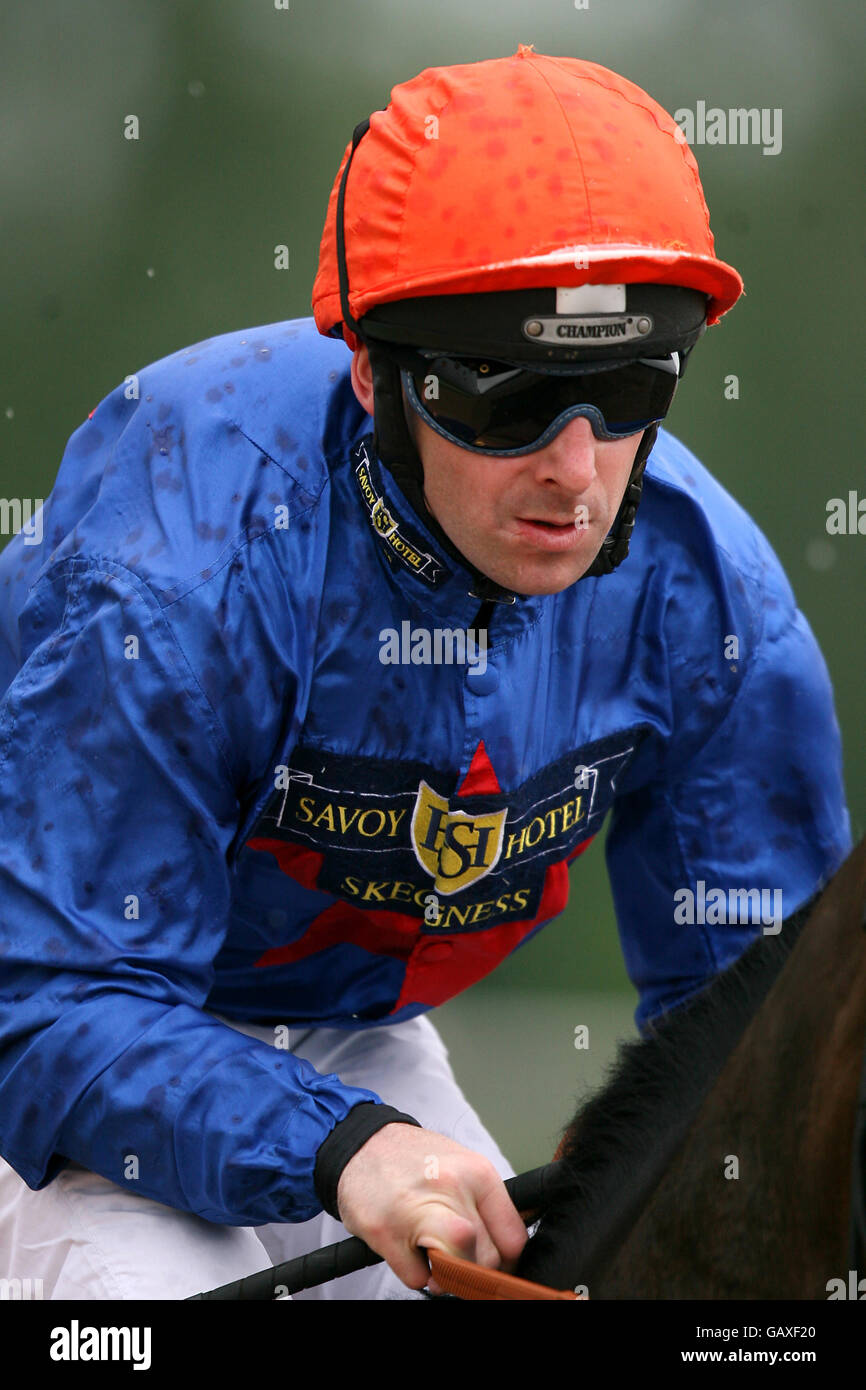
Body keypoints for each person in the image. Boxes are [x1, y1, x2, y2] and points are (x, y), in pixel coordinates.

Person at [0, 46, 851, 1301]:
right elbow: (53, 997)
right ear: (374, 372)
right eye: (511, 400)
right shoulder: (169, 564)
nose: (575, 467)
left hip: (348, 1032)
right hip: (56, 1035)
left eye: (626, 389)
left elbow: (769, 1046)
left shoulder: (703, 586)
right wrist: (337, 1144)